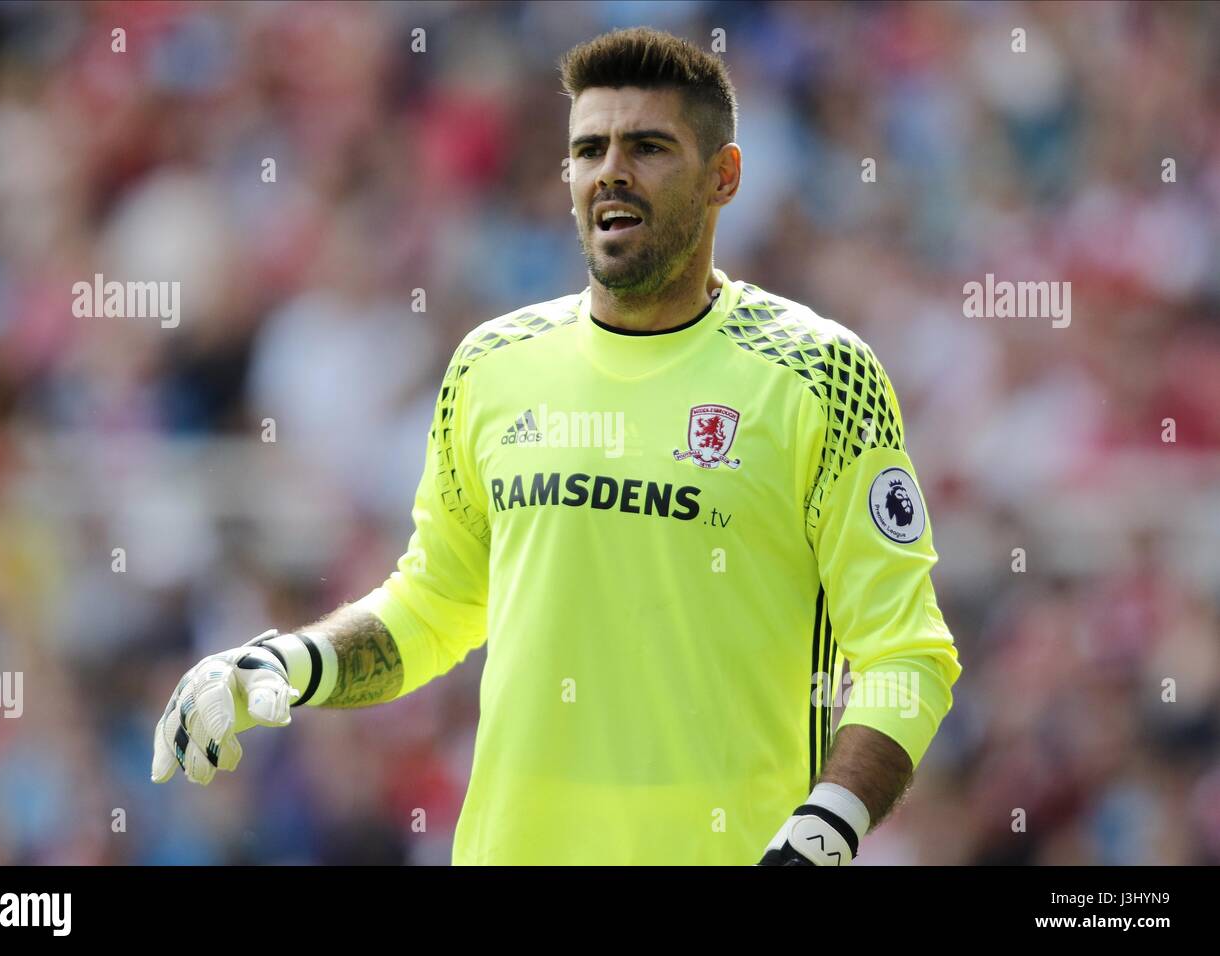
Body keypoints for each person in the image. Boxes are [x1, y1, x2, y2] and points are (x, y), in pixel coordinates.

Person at [153, 26, 962, 866]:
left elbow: (909, 655)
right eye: (589, 148)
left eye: (648, 147)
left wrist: (825, 827)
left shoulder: (820, 374)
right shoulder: (493, 364)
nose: (611, 169)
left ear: (724, 177)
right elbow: (437, 605)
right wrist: (286, 661)